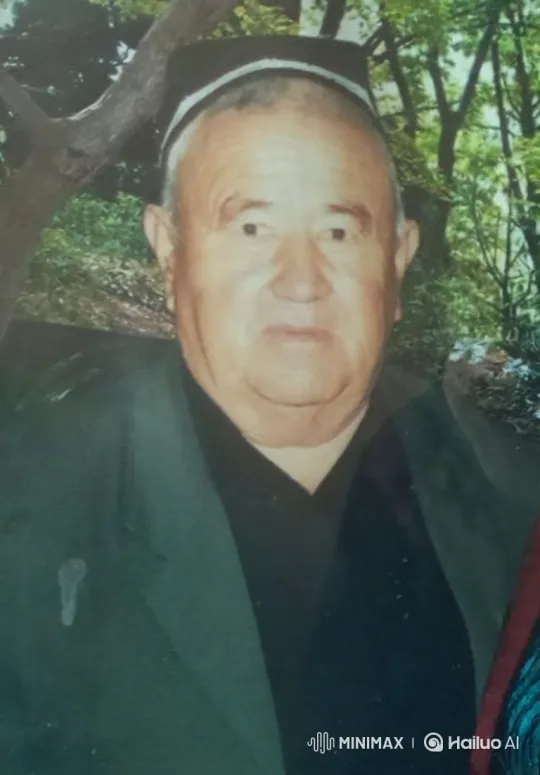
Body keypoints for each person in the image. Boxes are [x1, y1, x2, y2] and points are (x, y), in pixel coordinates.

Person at [0, 36, 536, 775]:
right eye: (252, 226)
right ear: (168, 248)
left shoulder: (502, 498)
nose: (301, 279)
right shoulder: (28, 511)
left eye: (340, 230)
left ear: (399, 259)